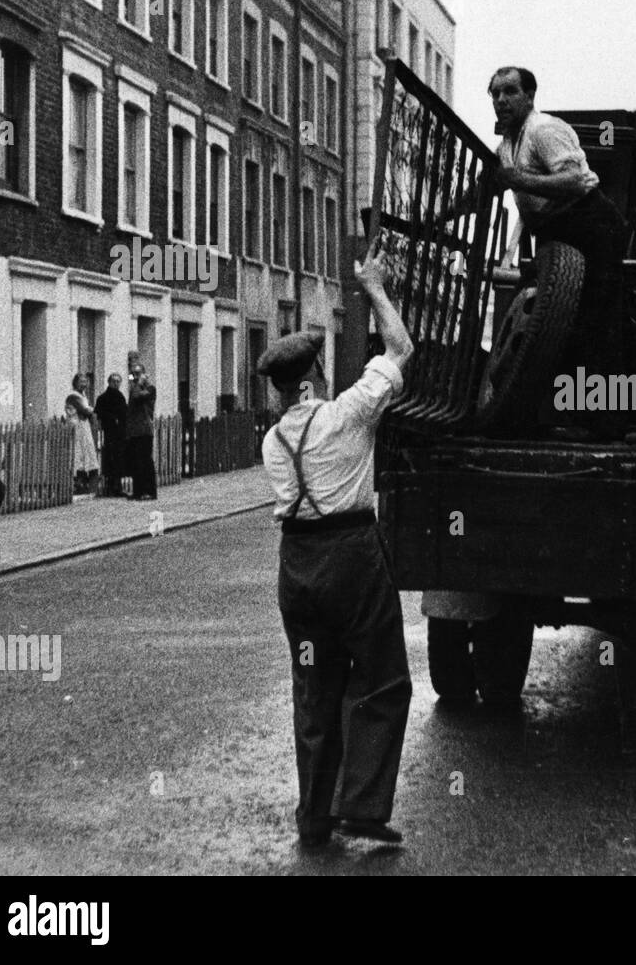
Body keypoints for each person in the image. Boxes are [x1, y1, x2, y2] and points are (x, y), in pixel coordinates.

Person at [259, 243, 415, 851]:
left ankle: (314, 819)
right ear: (313, 379)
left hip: (296, 569)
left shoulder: (273, 443)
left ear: (279, 391)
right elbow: (400, 351)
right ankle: (362, 806)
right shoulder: (347, 415)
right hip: (352, 559)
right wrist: (374, 288)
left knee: (313, 690)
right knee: (381, 680)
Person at [489, 66, 631, 424]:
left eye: (510, 91)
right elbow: (483, 188)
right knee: (551, 320)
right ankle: (556, 415)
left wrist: (517, 179)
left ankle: (605, 423)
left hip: (590, 222)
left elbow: (575, 180)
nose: (501, 100)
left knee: (594, 319)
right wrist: (436, 218)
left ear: (530, 96)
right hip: (555, 231)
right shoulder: (506, 145)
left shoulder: (544, 130)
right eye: (495, 93)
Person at [125, 363, 158, 501]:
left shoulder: (150, 389)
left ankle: (150, 491)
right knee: (135, 461)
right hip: (134, 430)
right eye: (133, 373)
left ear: (144, 374)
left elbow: (138, 397)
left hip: (144, 430)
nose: (135, 376)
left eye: (138, 373)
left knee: (145, 461)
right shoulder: (134, 389)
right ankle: (138, 491)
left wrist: (139, 382)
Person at [65, 374, 100, 495]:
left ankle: (84, 482)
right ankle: (78, 481)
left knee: (86, 453)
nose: (83, 384)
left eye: (85, 381)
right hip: (76, 427)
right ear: (75, 383)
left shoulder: (82, 396)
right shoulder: (73, 396)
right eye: (81, 381)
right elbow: (86, 410)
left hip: (84, 427)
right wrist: (91, 411)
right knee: (78, 453)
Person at [94, 374, 128, 497]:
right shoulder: (102, 398)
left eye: (118, 381)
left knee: (119, 459)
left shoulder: (120, 397)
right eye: (114, 381)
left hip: (120, 434)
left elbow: (125, 413)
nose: (116, 383)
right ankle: (110, 486)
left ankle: (117, 485)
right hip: (108, 433)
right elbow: (98, 413)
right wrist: (112, 419)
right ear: (108, 382)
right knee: (110, 459)